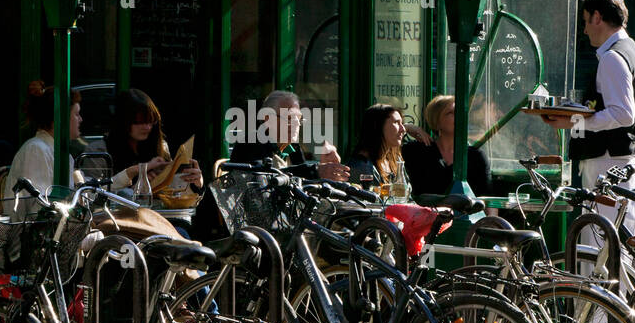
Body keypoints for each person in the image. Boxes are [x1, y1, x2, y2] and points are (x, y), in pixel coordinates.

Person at [543, 0, 635, 238]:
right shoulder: (631, 50)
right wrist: (572, 122)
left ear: (597, 17)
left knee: (599, 242)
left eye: (585, 21)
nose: (585, 30)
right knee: (616, 240)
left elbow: (623, 114)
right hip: (618, 160)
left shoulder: (613, 57)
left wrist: (574, 122)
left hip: (607, 161)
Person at [190, 89, 348, 242]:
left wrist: (325, 170)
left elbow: (301, 182)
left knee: (345, 235)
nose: (296, 124)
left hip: (286, 225)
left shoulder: (293, 149)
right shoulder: (250, 142)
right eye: (289, 118)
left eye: (299, 119)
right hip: (253, 233)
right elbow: (263, 178)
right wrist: (315, 171)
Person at [85, 88, 202, 193]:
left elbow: (173, 191)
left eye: (151, 121)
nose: (147, 127)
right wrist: (134, 190)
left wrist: (194, 182)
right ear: (123, 122)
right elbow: (91, 194)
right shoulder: (99, 151)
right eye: (139, 122)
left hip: (157, 214)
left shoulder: (160, 146)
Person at [402, 94, 492, 198]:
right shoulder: (417, 151)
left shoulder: (476, 156)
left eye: (459, 112)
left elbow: (488, 197)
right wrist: (407, 128)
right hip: (426, 213)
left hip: (467, 214)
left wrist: (491, 215)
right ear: (436, 122)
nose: (458, 116)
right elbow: (386, 148)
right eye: (450, 113)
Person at [7, 83, 81, 203]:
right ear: (59, 119)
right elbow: (37, 206)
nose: (81, 119)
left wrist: (121, 178)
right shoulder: (36, 150)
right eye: (77, 114)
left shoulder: (59, 152)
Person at [348, 103, 411, 196]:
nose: (403, 129)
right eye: (396, 123)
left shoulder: (394, 160)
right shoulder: (359, 166)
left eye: (402, 123)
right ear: (378, 126)